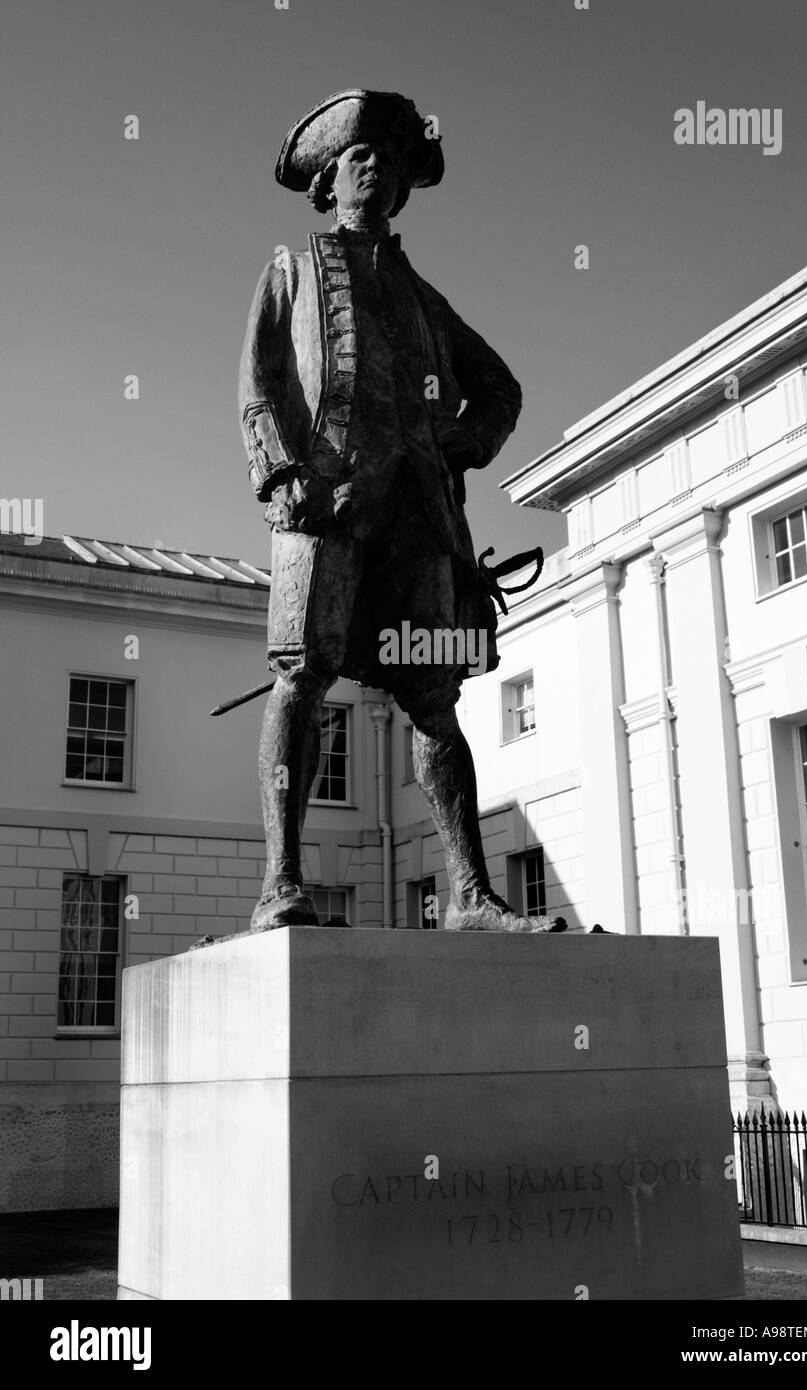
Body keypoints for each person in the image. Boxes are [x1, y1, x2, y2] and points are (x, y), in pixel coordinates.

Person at [239, 89, 565, 934]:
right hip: (326, 510)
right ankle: (282, 882)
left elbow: (501, 388)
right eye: (358, 157)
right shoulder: (291, 273)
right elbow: (260, 388)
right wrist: (283, 480)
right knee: (301, 678)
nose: (374, 167)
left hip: (420, 517)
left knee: (434, 701)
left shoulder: (425, 298)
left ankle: (470, 894)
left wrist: (457, 445)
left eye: (388, 158)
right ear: (329, 181)